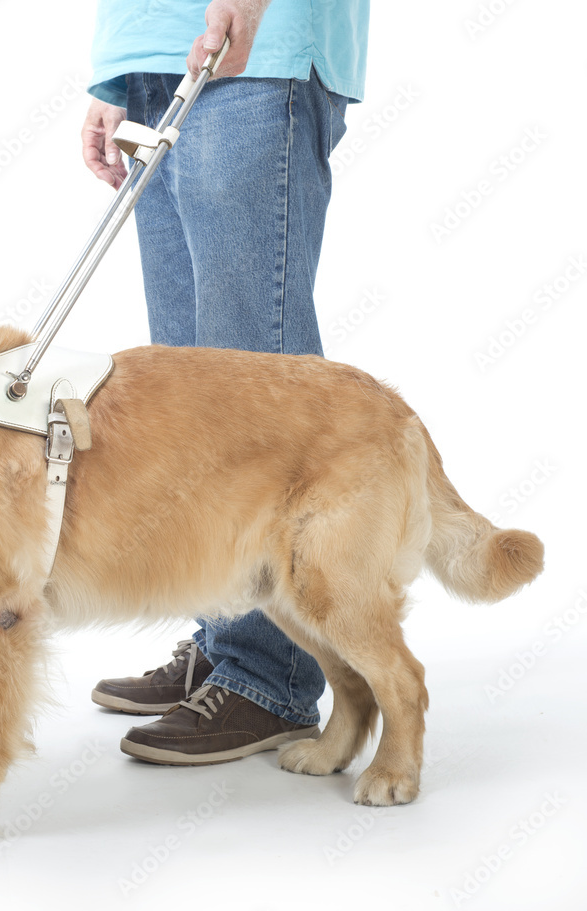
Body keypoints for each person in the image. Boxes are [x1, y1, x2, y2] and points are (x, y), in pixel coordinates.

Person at [81, 0, 369, 764]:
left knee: (257, 400)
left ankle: (271, 672)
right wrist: (118, 70)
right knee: (190, 407)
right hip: (159, 59)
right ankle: (227, 639)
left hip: (254, 52)